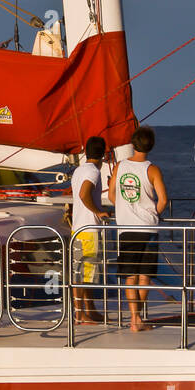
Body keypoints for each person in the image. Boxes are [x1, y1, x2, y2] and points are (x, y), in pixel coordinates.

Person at [107, 126, 167, 332]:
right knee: (145, 275)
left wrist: (123, 209)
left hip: (126, 228)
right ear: (151, 146)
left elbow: (112, 195)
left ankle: (135, 318)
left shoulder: (120, 167)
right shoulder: (152, 169)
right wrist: (153, 215)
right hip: (148, 228)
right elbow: (163, 200)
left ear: (133, 144)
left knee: (129, 275)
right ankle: (138, 319)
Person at [71, 137, 110, 325]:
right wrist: (99, 211)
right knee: (82, 274)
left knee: (85, 274)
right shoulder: (93, 172)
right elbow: (84, 194)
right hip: (88, 230)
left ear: (86, 152)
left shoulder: (79, 170)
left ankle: (90, 309)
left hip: (78, 228)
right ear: (103, 153)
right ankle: (79, 314)